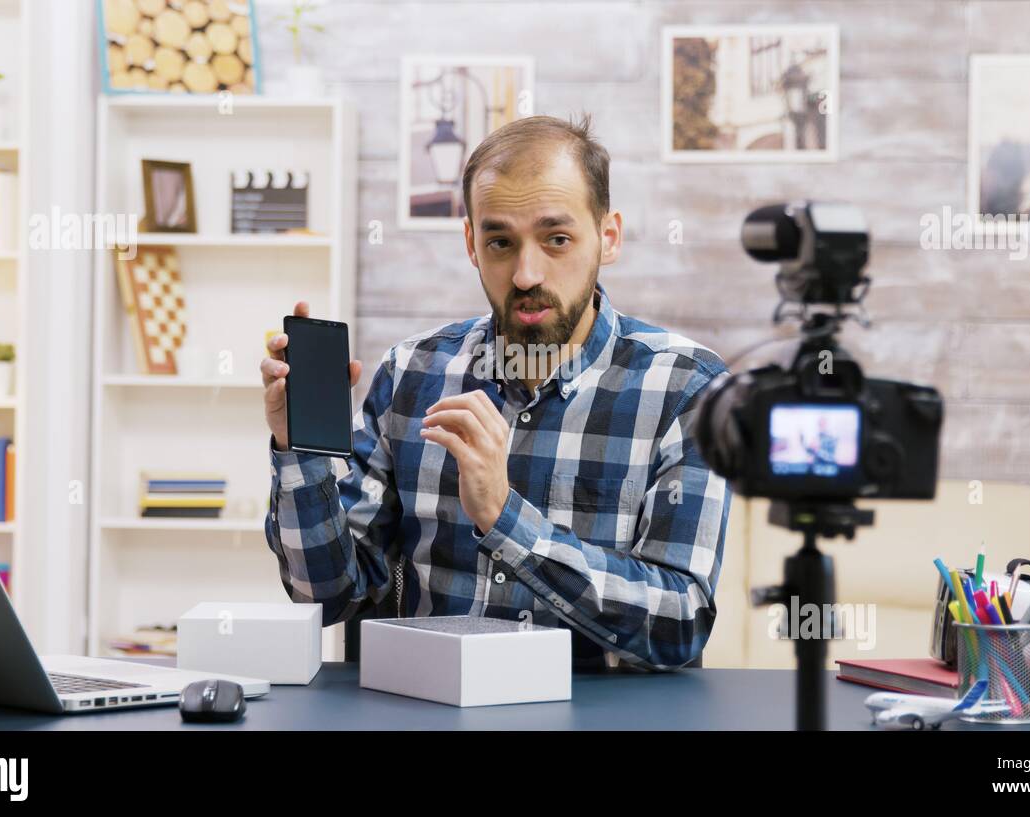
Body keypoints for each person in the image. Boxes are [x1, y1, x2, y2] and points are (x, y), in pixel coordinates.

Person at [261, 113, 731, 671]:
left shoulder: (688, 389)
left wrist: (505, 518)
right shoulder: (411, 374)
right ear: (470, 242)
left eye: (557, 238)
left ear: (608, 237)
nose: (527, 273)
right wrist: (301, 456)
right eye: (501, 241)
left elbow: (680, 625)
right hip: (430, 706)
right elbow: (326, 594)